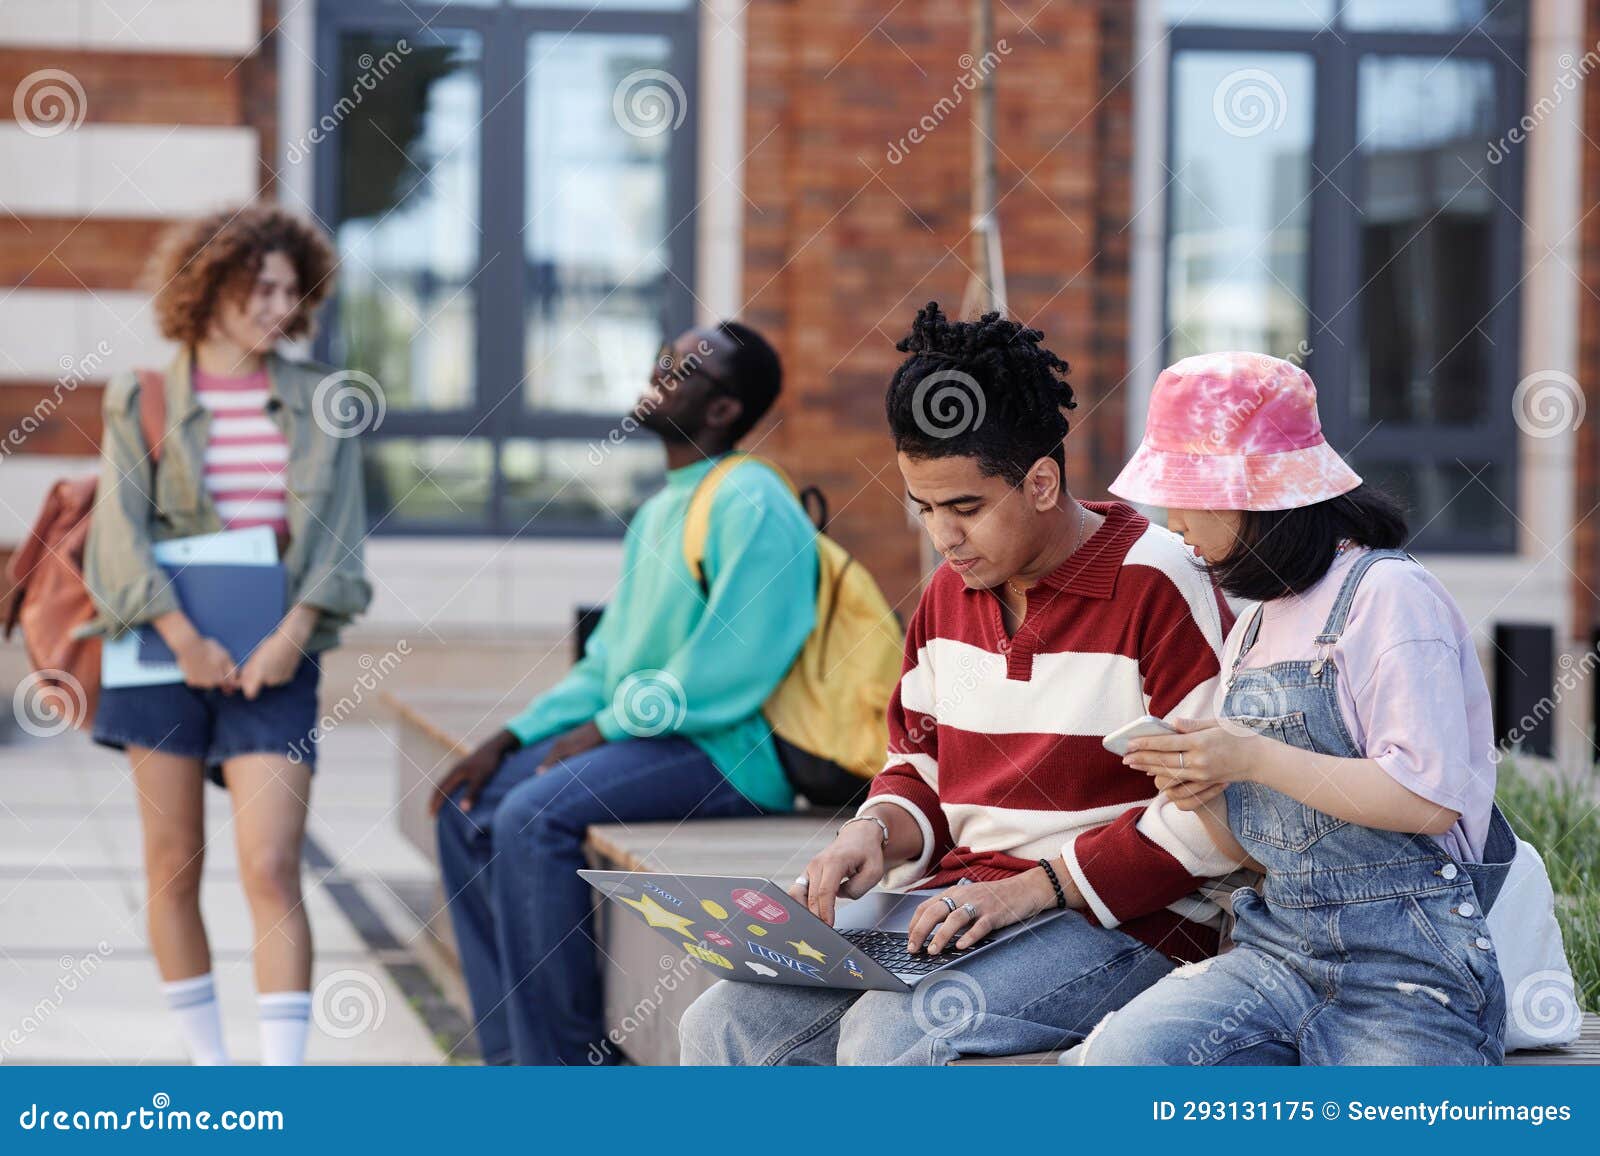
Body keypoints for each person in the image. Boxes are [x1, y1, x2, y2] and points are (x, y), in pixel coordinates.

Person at [678, 303, 1240, 1066]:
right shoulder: (950, 594)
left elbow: (1220, 815)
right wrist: (872, 833)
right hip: (955, 905)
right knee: (720, 1024)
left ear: (1041, 482)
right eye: (925, 509)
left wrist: (1036, 886)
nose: (944, 537)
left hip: (1131, 922)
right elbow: (921, 766)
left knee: (895, 1032)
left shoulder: (1159, 583)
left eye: (966, 508)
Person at [1069, 351, 1516, 1066]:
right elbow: (1268, 842)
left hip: (1407, 973)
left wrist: (1250, 756)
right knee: (1118, 1065)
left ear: (1259, 496)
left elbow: (1428, 798)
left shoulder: (1389, 596)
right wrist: (1207, 790)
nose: (1170, 516)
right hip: (1276, 955)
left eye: (1188, 492)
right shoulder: (1250, 627)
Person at [432, 321, 819, 1065]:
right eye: (663, 356)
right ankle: (513, 1059)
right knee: (463, 805)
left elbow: (733, 664)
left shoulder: (752, 500)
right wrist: (508, 737)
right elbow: (609, 662)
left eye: (685, 365)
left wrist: (609, 727)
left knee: (532, 814)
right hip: (652, 738)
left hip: (729, 751)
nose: (660, 368)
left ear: (722, 410)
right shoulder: (658, 512)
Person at [83, 205, 373, 1065]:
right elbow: (116, 536)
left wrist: (294, 634)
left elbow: (341, 543)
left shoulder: (324, 399)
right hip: (162, 659)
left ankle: (282, 1087)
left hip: (276, 664)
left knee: (270, 866)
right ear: (208, 289)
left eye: (292, 290)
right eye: (261, 288)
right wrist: (182, 638)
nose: (279, 306)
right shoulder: (142, 395)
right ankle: (213, 1075)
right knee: (172, 864)